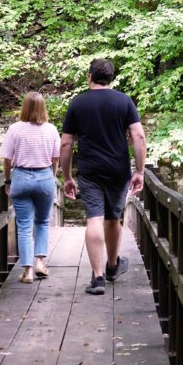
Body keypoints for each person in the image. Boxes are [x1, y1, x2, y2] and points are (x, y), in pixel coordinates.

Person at [59, 58, 146, 296]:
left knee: (94, 219)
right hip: (118, 170)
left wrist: (67, 177)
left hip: (89, 171)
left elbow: (66, 143)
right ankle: (112, 266)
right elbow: (138, 136)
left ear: (90, 76)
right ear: (111, 78)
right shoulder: (124, 101)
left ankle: (98, 278)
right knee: (113, 218)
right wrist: (139, 171)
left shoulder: (78, 103)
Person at [0, 92, 61, 283]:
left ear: (24, 107)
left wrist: (8, 180)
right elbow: (55, 158)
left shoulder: (15, 129)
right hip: (44, 177)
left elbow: (7, 159)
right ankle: (40, 262)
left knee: (24, 226)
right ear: (43, 108)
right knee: (42, 222)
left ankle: (28, 272)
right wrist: (52, 176)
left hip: (21, 178)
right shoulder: (51, 129)